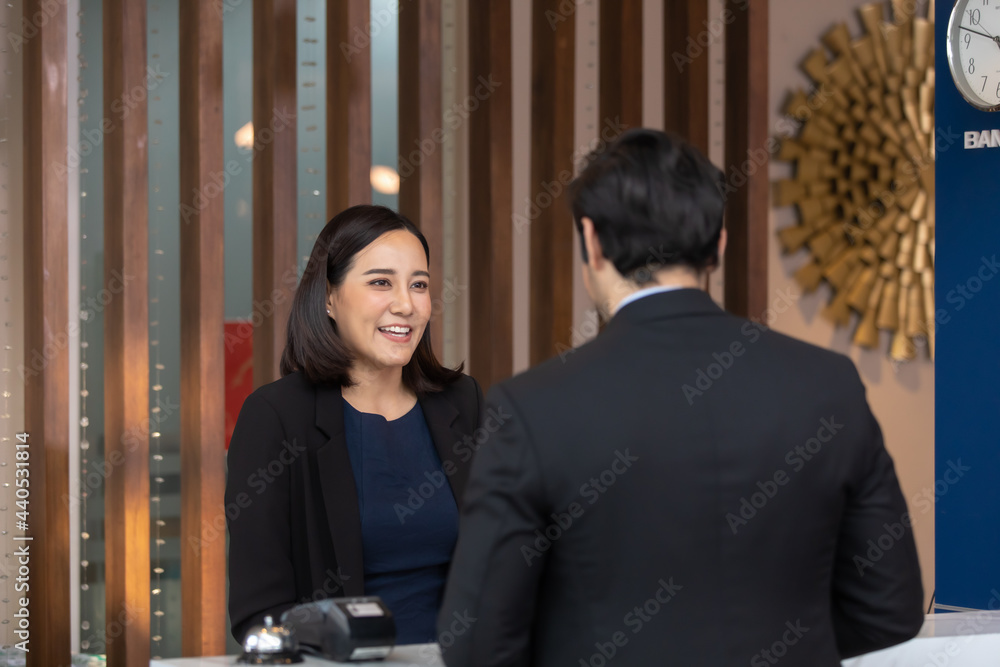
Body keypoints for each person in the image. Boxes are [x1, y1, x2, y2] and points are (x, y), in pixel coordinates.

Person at [438, 129, 923, 666]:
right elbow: (891, 609)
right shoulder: (829, 386)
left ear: (592, 241)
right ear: (718, 243)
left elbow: (475, 643)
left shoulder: (532, 407)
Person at [227, 204, 483, 645]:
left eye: (418, 285)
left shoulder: (463, 402)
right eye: (381, 282)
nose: (406, 305)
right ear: (329, 297)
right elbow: (260, 615)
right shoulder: (275, 417)